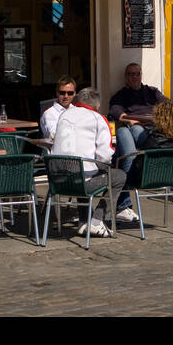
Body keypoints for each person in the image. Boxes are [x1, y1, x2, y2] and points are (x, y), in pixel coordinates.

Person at [50, 87, 122, 239]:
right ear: (97, 106)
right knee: (118, 176)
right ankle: (97, 220)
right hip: (82, 181)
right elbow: (104, 157)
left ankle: (84, 221)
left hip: (58, 181)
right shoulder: (97, 118)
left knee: (81, 170)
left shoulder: (63, 115)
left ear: (77, 101)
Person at [107, 63, 165, 222]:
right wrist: (129, 119)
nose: (134, 77)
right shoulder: (122, 94)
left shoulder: (152, 92)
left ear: (141, 75)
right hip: (133, 128)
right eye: (131, 74)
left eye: (137, 74)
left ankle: (123, 201)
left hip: (153, 132)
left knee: (128, 140)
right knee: (128, 133)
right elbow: (115, 110)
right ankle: (124, 203)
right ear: (126, 77)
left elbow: (167, 106)